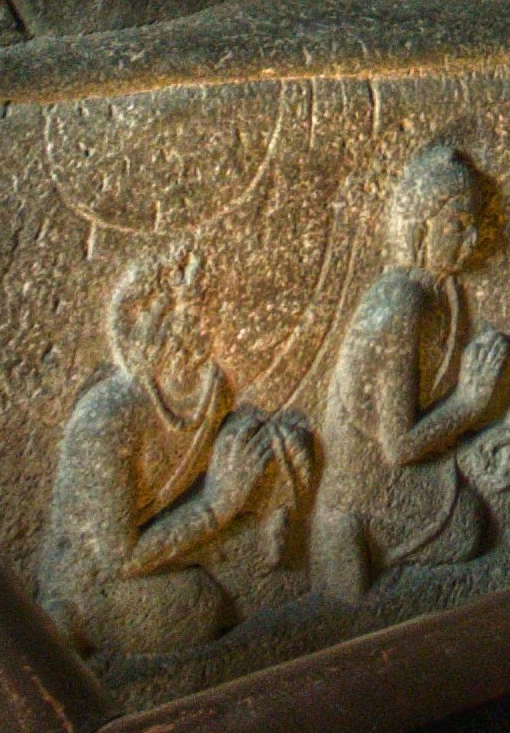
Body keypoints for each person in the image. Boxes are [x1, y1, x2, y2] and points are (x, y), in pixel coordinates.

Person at [311, 142, 510, 598]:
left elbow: (426, 416)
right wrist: (470, 403)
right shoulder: (401, 304)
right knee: (466, 527)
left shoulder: (442, 292)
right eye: (457, 225)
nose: (471, 241)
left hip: (398, 476)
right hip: (360, 500)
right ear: (420, 228)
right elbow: (400, 445)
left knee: (485, 502)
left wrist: (487, 432)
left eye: (475, 226)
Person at [35, 248, 312, 658]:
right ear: (157, 327)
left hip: (171, 540)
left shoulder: (210, 389)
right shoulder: (110, 415)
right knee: (200, 604)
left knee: (272, 572)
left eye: (208, 307)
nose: (207, 323)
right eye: (194, 313)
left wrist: (269, 439)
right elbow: (118, 558)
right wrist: (217, 507)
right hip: (92, 583)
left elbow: (227, 445)